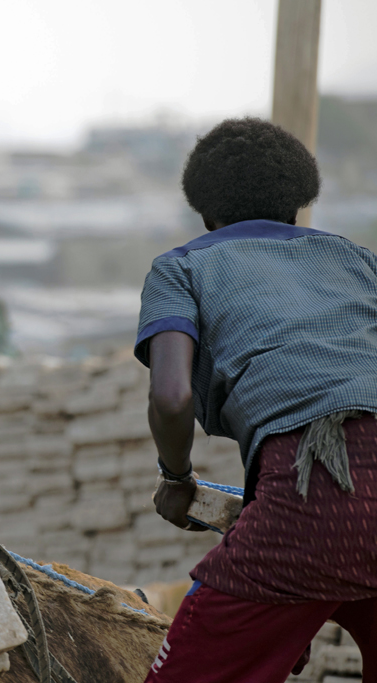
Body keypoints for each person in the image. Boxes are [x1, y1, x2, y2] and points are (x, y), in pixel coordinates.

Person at [135, 118, 377, 683]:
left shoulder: (183, 267)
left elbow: (171, 398)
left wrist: (176, 479)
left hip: (318, 494)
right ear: (299, 203)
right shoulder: (358, 261)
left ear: (205, 213)